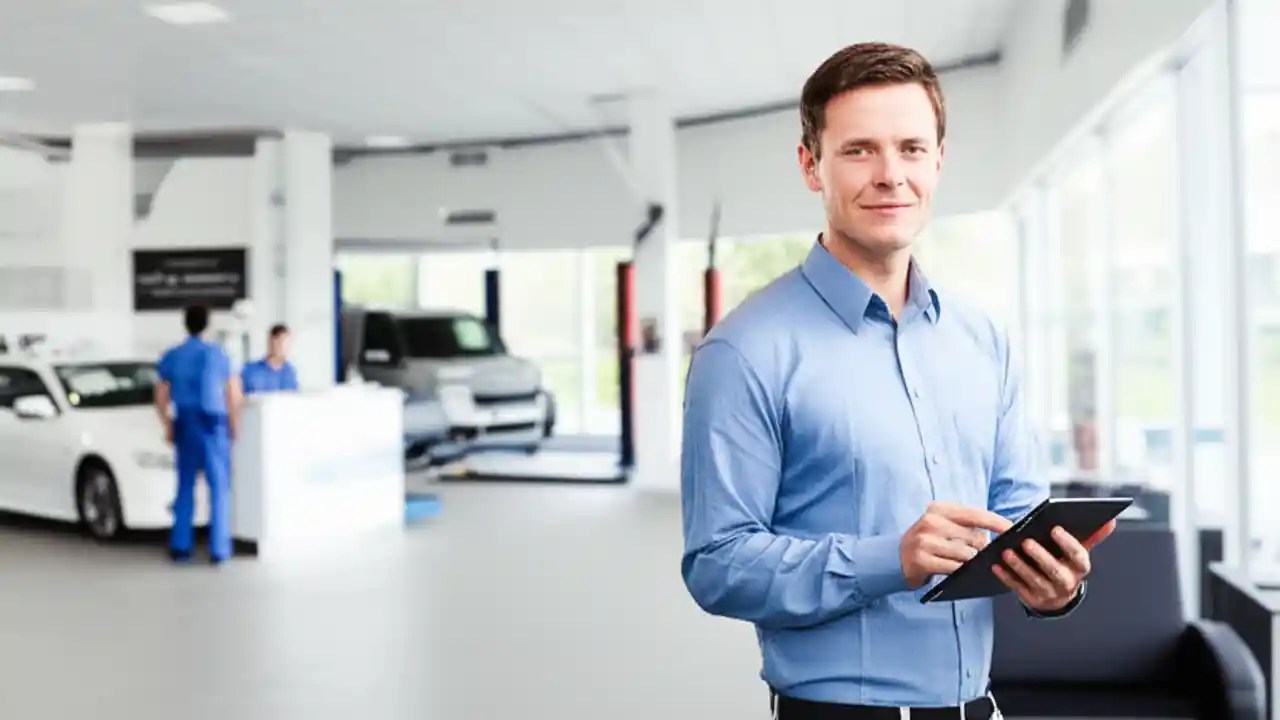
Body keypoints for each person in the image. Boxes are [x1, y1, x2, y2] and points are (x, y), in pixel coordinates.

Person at [679, 42, 1116, 718]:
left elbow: (1016, 517)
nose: (890, 175)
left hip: (977, 706)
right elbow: (717, 564)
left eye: (912, 148)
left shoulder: (983, 341)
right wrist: (892, 559)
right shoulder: (743, 351)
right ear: (810, 164)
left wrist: (1053, 585)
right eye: (859, 150)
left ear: (938, 161)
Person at [153, 305, 241, 565]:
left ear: (185, 324)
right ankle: (219, 549)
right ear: (207, 325)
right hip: (214, 425)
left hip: (186, 422)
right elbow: (234, 394)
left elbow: (160, 394)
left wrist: (167, 423)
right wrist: (234, 425)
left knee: (184, 486)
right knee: (219, 487)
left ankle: (181, 546)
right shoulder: (219, 354)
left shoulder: (173, 356)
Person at [241, 324, 300, 394]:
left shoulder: (290, 372)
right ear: (271, 341)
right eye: (281, 342)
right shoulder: (250, 370)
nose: (285, 348)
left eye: (288, 344)